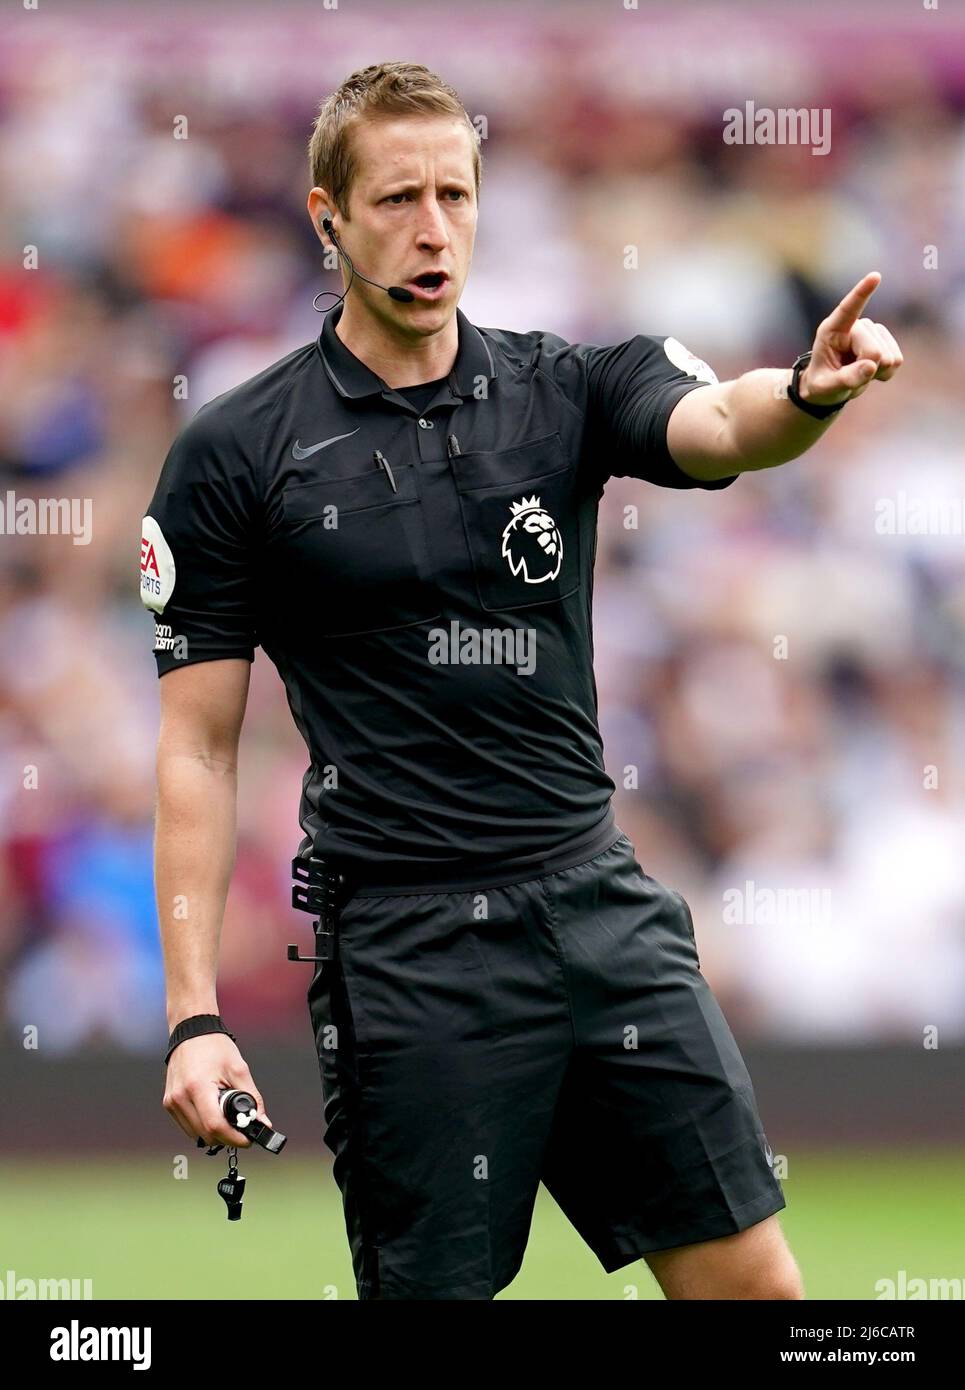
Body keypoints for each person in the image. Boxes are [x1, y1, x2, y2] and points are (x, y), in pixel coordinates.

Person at [144, 61, 902, 1300]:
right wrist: (193, 1012)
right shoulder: (236, 454)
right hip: (409, 949)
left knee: (760, 1294)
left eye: (453, 192)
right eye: (395, 198)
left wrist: (808, 396)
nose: (431, 225)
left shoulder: (563, 387)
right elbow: (197, 747)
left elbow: (716, 420)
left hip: (597, 906)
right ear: (326, 216)